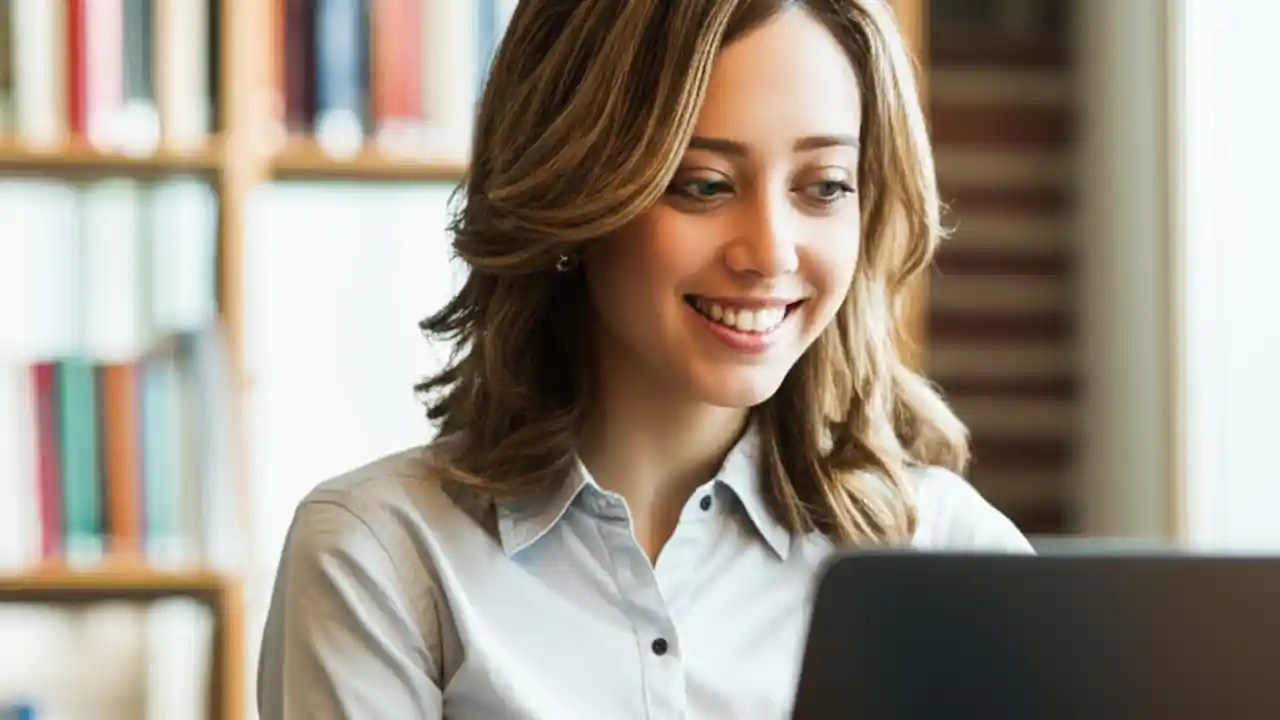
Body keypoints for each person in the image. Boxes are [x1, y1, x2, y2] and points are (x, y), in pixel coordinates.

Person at [257, 1, 1032, 717]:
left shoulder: (949, 556)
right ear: (576, 190)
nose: (770, 252)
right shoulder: (382, 558)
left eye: (825, 186)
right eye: (703, 185)